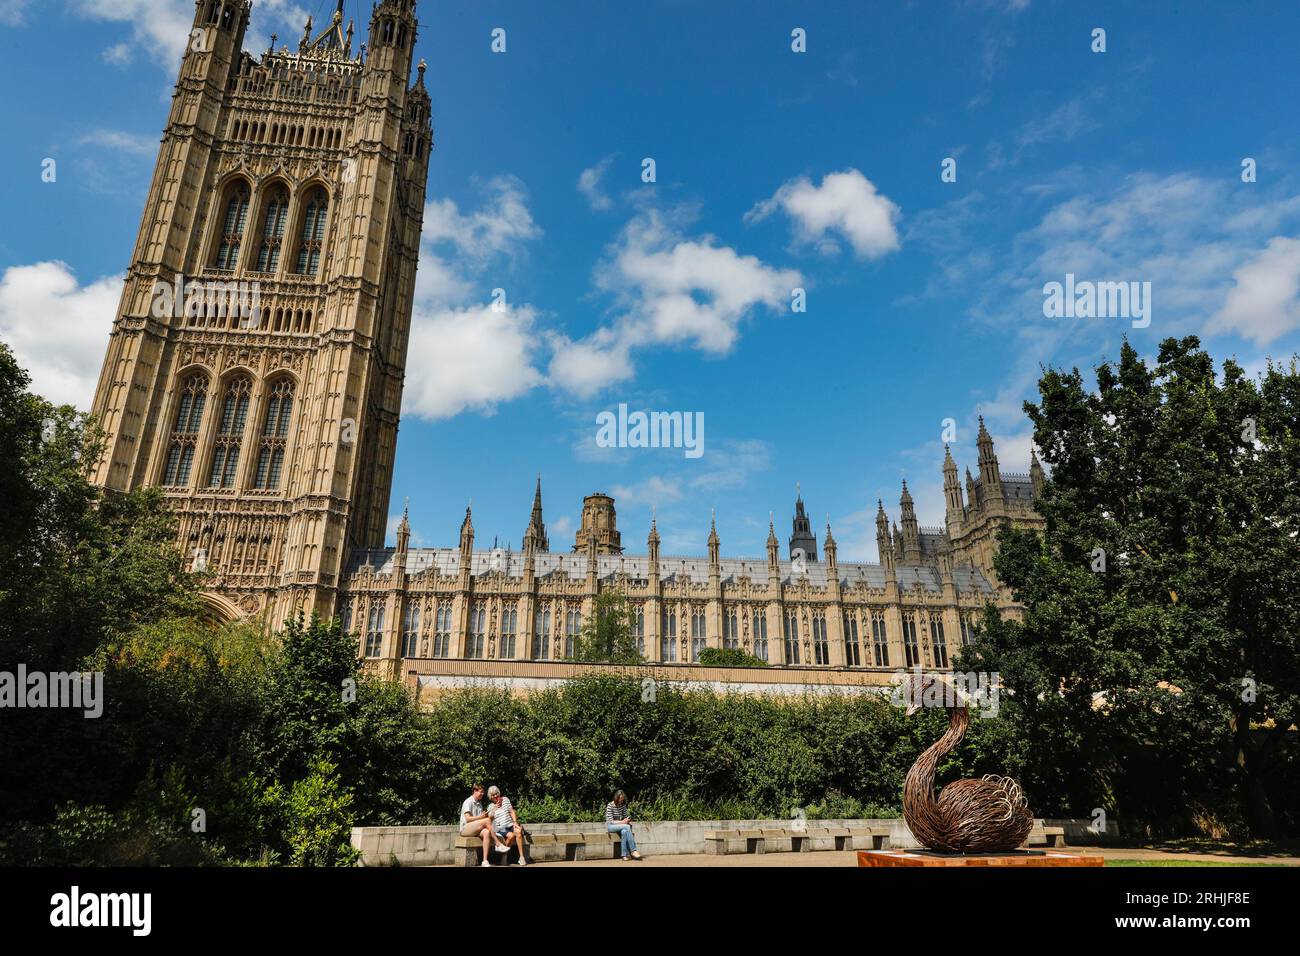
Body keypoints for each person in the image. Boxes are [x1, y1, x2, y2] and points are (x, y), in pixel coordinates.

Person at [459, 784, 501, 866]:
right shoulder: (468, 801)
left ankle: (485, 860)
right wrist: (481, 817)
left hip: (475, 828)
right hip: (465, 829)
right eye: (481, 792)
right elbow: (468, 818)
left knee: (486, 832)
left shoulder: (479, 803)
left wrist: (486, 814)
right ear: (475, 791)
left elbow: (480, 819)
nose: (482, 794)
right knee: (486, 821)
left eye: (483, 792)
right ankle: (497, 843)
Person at [487, 785, 528, 865]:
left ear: (498, 793)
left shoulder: (505, 800)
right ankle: (504, 856)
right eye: (493, 795)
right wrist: (495, 807)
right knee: (511, 836)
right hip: (500, 828)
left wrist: (515, 822)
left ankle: (521, 857)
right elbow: (490, 818)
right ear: (491, 797)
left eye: (496, 793)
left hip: (510, 825)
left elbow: (511, 811)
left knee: (518, 831)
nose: (495, 796)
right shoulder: (490, 806)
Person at [605, 789, 642, 860]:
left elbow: (625, 817)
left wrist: (627, 819)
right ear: (616, 798)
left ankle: (624, 855)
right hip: (611, 826)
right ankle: (633, 850)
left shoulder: (623, 805)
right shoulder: (610, 805)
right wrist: (622, 822)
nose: (621, 801)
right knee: (626, 827)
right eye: (620, 799)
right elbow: (610, 821)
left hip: (621, 826)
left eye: (622, 799)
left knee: (624, 831)